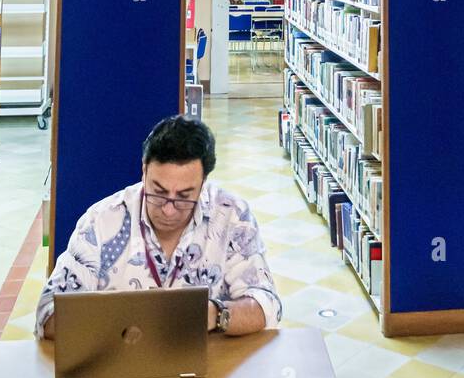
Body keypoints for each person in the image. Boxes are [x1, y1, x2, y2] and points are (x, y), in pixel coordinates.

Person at [35, 115, 281, 339]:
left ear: (204, 182)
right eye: (158, 193)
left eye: (184, 196)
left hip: (208, 371)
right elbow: (48, 314)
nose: (169, 209)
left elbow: (266, 305)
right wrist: (120, 323)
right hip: (116, 368)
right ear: (143, 170)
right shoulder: (101, 221)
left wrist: (214, 315)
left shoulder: (231, 216)